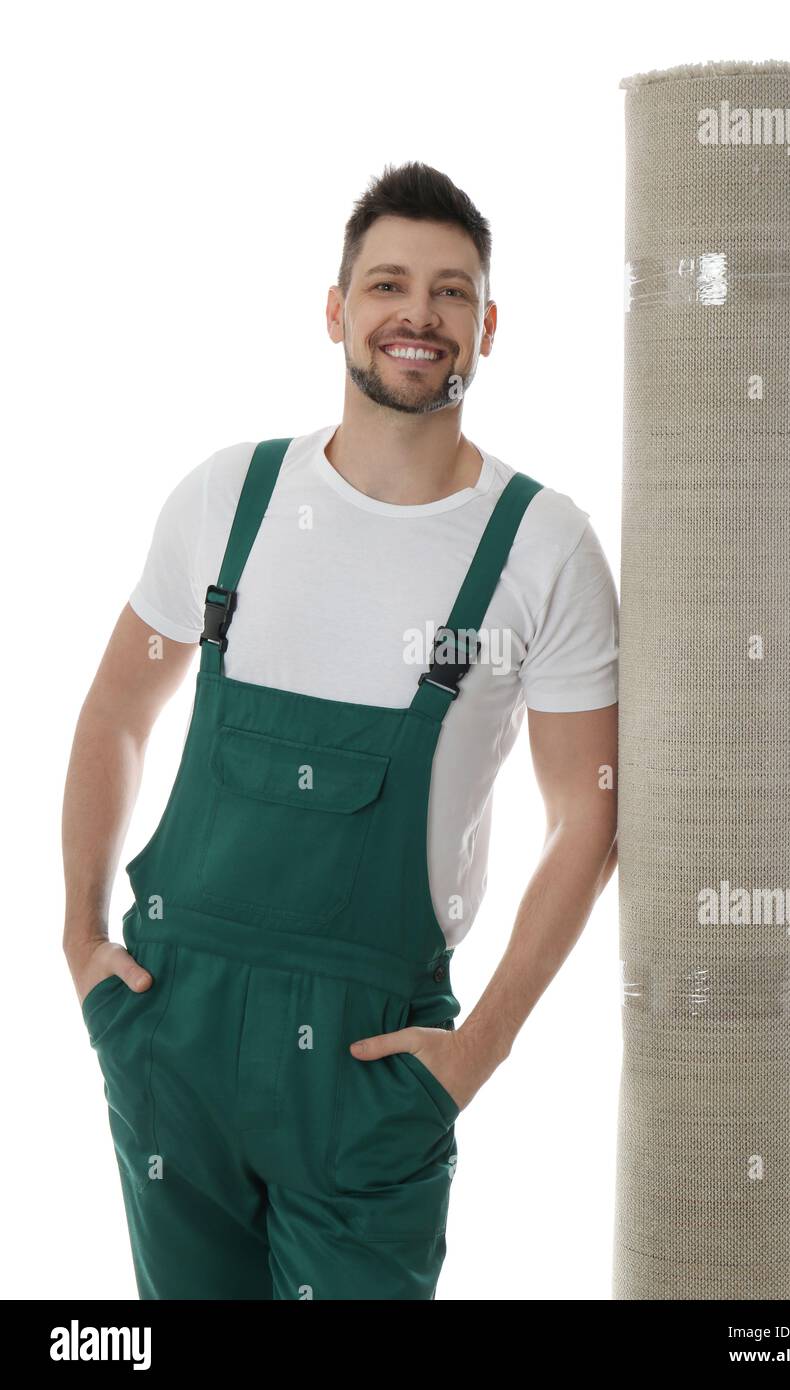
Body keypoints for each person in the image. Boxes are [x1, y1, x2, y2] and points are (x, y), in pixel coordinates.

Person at [62, 161, 619, 1300]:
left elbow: (586, 816)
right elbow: (119, 706)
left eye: (451, 292)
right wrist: (80, 943)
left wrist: (479, 1050)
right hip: (173, 1030)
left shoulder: (541, 546)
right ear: (337, 311)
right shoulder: (229, 497)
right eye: (387, 285)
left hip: (368, 1070)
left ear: (486, 326)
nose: (417, 314)